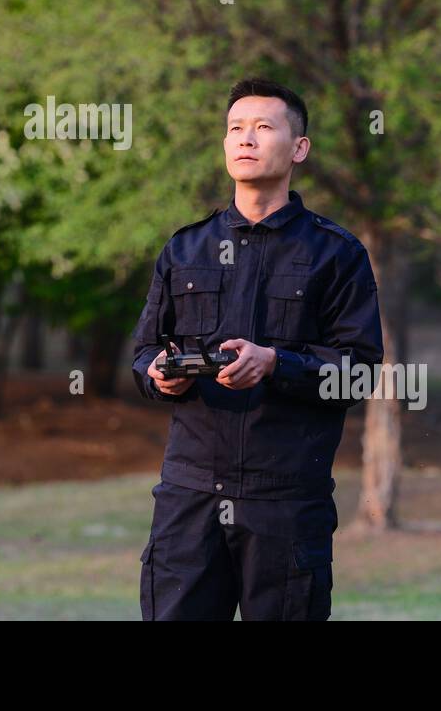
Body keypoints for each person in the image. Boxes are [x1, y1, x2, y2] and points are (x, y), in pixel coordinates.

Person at [131, 77, 384, 620]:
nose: (245, 139)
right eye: (234, 129)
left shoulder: (335, 254)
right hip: (189, 499)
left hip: (286, 502)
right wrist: (158, 373)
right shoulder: (184, 247)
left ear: (299, 148)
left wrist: (277, 364)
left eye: (263, 127)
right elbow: (144, 351)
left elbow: (360, 372)